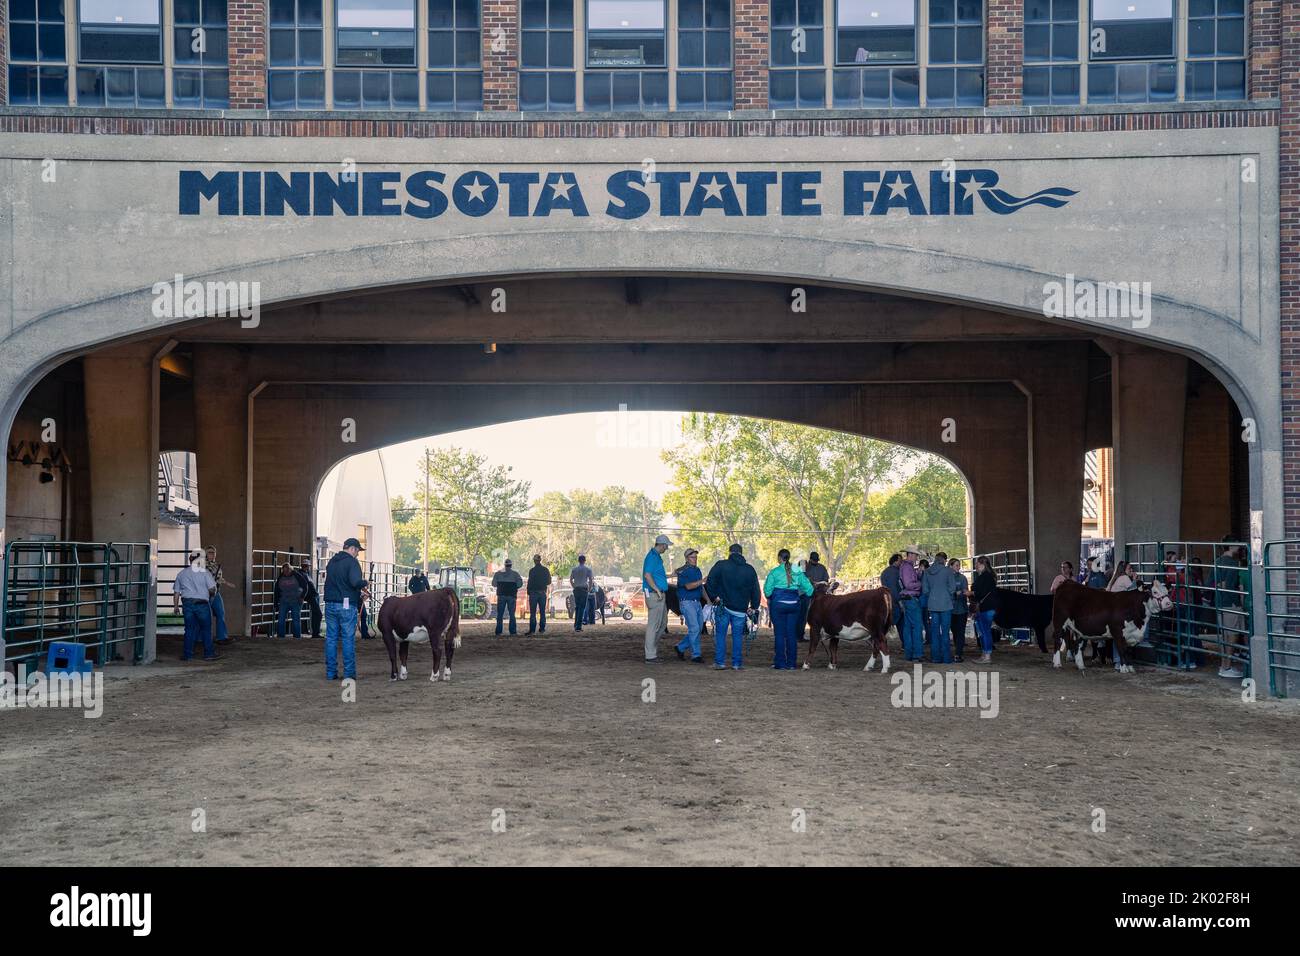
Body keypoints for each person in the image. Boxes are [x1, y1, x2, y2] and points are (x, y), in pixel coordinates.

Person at [705, 543, 762, 670]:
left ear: (730, 553)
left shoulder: (721, 565)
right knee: (737, 637)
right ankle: (737, 664)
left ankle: (720, 662)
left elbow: (710, 582)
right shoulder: (750, 569)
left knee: (720, 635)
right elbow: (755, 590)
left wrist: (715, 597)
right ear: (741, 553)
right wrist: (754, 606)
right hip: (740, 609)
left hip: (723, 606)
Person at [323, 537, 367, 681]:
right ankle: (349, 673)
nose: (358, 554)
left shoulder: (332, 562)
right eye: (357, 551)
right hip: (346, 604)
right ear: (352, 549)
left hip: (330, 603)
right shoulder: (352, 562)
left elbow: (340, 583)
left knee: (331, 639)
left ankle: (331, 673)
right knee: (348, 639)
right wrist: (365, 583)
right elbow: (355, 582)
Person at [764, 548, 814, 670]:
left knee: (780, 634)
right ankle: (791, 664)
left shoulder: (774, 572)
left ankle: (780, 663)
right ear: (788, 557)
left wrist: (774, 595)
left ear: (779, 558)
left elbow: (767, 592)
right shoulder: (797, 571)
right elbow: (810, 590)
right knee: (791, 634)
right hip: (794, 605)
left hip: (778, 605)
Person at [173, 550, 218, 662]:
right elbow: (212, 589)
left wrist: (176, 607)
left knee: (189, 630)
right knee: (206, 630)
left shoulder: (181, 574)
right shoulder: (205, 573)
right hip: (202, 603)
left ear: (190, 560)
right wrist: (211, 595)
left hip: (187, 603)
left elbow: (176, 592)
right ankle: (208, 654)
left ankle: (188, 655)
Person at [1214, 540, 1248, 680]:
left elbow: (1211, 582)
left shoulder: (1217, 561)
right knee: (1232, 635)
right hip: (1232, 602)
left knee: (1225, 634)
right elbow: (1229, 585)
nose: (1239, 547)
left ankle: (1225, 665)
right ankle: (1226, 667)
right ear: (1231, 546)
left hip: (1220, 601)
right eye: (1237, 544)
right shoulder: (1233, 563)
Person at [922, 551, 962, 664]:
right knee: (945, 632)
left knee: (934, 632)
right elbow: (953, 588)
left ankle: (935, 658)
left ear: (935, 559)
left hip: (933, 605)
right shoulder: (948, 571)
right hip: (946, 605)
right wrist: (946, 595)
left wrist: (933, 595)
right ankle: (946, 658)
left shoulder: (927, 572)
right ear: (944, 560)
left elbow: (924, 590)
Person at [673, 547, 707, 663]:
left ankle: (680, 647)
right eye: (693, 557)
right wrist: (702, 581)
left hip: (696, 602)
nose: (695, 559)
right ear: (687, 558)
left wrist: (708, 600)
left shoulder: (697, 570)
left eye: (696, 557)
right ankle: (696, 655)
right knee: (695, 628)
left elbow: (700, 588)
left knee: (698, 628)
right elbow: (688, 586)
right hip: (687, 602)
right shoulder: (683, 571)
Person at [642, 533, 672, 663]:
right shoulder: (652, 557)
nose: (667, 548)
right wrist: (657, 590)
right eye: (666, 546)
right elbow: (647, 575)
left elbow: (656, 575)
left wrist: (671, 575)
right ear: (662, 545)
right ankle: (650, 655)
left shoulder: (656, 557)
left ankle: (652, 649)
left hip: (657, 594)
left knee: (662, 623)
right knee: (654, 625)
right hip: (655, 595)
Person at [204, 545, 235, 645]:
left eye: (213, 552)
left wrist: (226, 582)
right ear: (205, 554)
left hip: (216, 592)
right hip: (206, 593)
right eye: (209, 552)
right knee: (204, 616)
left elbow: (218, 578)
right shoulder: (202, 566)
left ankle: (221, 637)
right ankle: (201, 638)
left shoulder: (217, 565)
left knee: (220, 613)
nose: (212, 554)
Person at [898, 546, 924, 662]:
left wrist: (918, 573)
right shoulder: (908, 568)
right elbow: (909, 584)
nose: (917, 557)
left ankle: (909, 653)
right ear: (911, 555)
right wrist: (920, 584)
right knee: (917, 626)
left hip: (906, 598)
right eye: (916, 555)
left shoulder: (906, 567)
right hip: (911, 598)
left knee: (908, 627)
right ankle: (917, 654)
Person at [971, 555, 997, 664]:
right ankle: (985, 654)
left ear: (981, 564)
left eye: (977, 563)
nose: (975, 565)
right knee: (983, 631)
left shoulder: (984, 577)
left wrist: (971, 593)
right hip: (987, 607)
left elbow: (981, 592)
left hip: (985, 607)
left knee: (984, 631)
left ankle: (987, 655)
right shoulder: (989, 576)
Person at [800, 551, 830, 641]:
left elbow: (826, 580)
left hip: (819, 596)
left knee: (820, 615)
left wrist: (820, 584)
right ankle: (800, 635)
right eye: (814, 560)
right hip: (805, 595)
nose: (816, 562)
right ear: (810, 559)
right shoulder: (804, 566)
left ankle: (819, 634)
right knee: (804, 616)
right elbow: (800, 577)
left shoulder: (822, 567)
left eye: (817, 560)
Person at [492, 559, 523, 636]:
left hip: (501, 596)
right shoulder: (515, 574)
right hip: (511, 596)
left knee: (500, 614)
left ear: (504, 565)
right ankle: (512, 632)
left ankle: (498, 632)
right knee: (512, 614)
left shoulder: (498, 574)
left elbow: (494, 584)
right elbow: (520, 584)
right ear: (511, 565)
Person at [948, 557, 969, 663]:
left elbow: (965, 591)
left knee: (960, 632)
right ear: (950, 566)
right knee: (955, 631)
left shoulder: (962, 578)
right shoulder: (947, 578)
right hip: (950, 610)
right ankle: (957, 650)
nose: (958, 567)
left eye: (959, 565)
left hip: (961, 609)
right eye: (956, 565)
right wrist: (955, 593)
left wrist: (961, 593)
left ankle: (958, 653)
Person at [276, 562, 304, 639]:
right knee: (281, 619)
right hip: (284, 600)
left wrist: (302, 597)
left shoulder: (297, 575)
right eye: (284, 571)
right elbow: (277, 589)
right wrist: (276, 602)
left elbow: (305, 585)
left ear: (290, 570)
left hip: (295, 600)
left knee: (296, 619)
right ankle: (281, 636)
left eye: (287, 571)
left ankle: (297, 637)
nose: (286, 573)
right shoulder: (281, 577)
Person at [526, 554, 551, 635]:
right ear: (540, 560)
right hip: (542, 593)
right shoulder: (545, 570)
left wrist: (528, 591)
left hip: (533, 593)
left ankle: (532, 630)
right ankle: (542, 629)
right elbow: (549, 582)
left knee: (533, 612)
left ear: (534, 561)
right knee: (542, 612)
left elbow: (529, 582)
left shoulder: (532, 571)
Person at [297, 559, 322, 638]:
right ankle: (315, 633)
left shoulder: (305, 574)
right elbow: (305, 587)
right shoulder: (302, 574)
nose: (306, 567)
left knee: (316, 614)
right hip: (310, 596)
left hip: (311, 596)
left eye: (306, 566)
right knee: (318, 614)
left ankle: (315, 632)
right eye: (306, 566)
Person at [569, 555, 594, 632]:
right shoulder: (588, 569)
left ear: (578, 560)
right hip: (584, 590)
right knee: (582, 608)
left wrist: (574, 587)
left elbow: (571, 580)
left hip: (576, 589)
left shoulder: (574, 569)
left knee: (577, 607)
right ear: (584, 561)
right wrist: (589, 589)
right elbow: (590, 580)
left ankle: (575, 624)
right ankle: (578, 626)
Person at [880, 553, 903, 630]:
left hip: (886, 600)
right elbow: (894, 589)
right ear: (895, 561)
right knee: (901, 623)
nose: (901, 563)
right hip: (895, 601)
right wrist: (900, 602)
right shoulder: (894, 572)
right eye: (900, 561)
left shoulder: (885, 571)